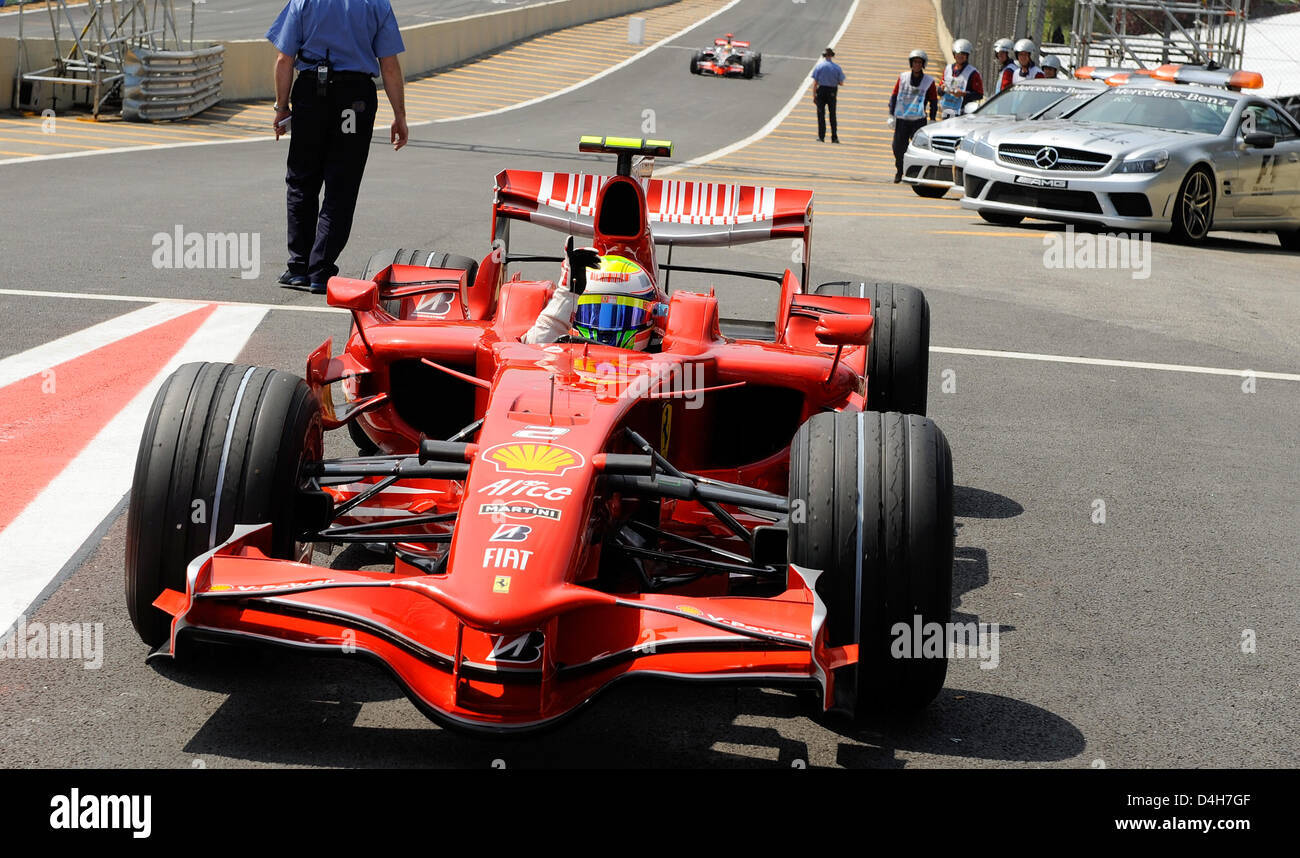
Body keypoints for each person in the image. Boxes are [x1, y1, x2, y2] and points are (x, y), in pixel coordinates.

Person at [267, 0, 409, 293]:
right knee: (341, 183)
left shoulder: (304, 2)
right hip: (354, 99)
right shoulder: (376, 4)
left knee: (301, 180)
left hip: (310, 94)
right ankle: (320, 270)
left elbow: (284, 59)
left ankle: (298, 267)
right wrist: (400, 115)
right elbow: (390, 65)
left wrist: (282, 107)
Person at [523, 238, 665, 351]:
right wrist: (565, 297)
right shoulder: (560, 350)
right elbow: (529, 351)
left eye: (621, 316)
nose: (604, 330)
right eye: (592, 313)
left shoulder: (666, 361)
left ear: (650, 317)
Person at [888, 48, 938, 183]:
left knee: (919, 148)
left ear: (923, 64)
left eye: (919, 62)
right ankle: (900, 170)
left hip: (918, 120)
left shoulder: (929, 81)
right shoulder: (903, 78)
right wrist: (891, 115)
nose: (917, 65)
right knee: (898, 147)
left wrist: (932, 119)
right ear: (911, 63)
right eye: (914, 62)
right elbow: (894, 96)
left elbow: (934, 100)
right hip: (902, 118)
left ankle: (915, 174)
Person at [940, 38, 983, 119]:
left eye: (963, 54)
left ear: (967, 56)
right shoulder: (948, 69)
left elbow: (979, 95)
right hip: (946, 112)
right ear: (954, 54)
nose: (960, 56)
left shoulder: (973, 73)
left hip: (962, 114)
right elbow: (939, 90)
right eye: (958, 54)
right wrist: (941, 89)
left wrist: (963, 94)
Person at [810, 47, 846, 143]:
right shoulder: (837, 68)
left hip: (821, 91)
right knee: (832, 115)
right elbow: (841, 82)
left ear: (824, 56)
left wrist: (814, 96)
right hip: (832, 92)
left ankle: (821, 137)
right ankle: (834, 137)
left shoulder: (819, 67)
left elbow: (815, 83)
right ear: (832, 56)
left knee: (821, 114)